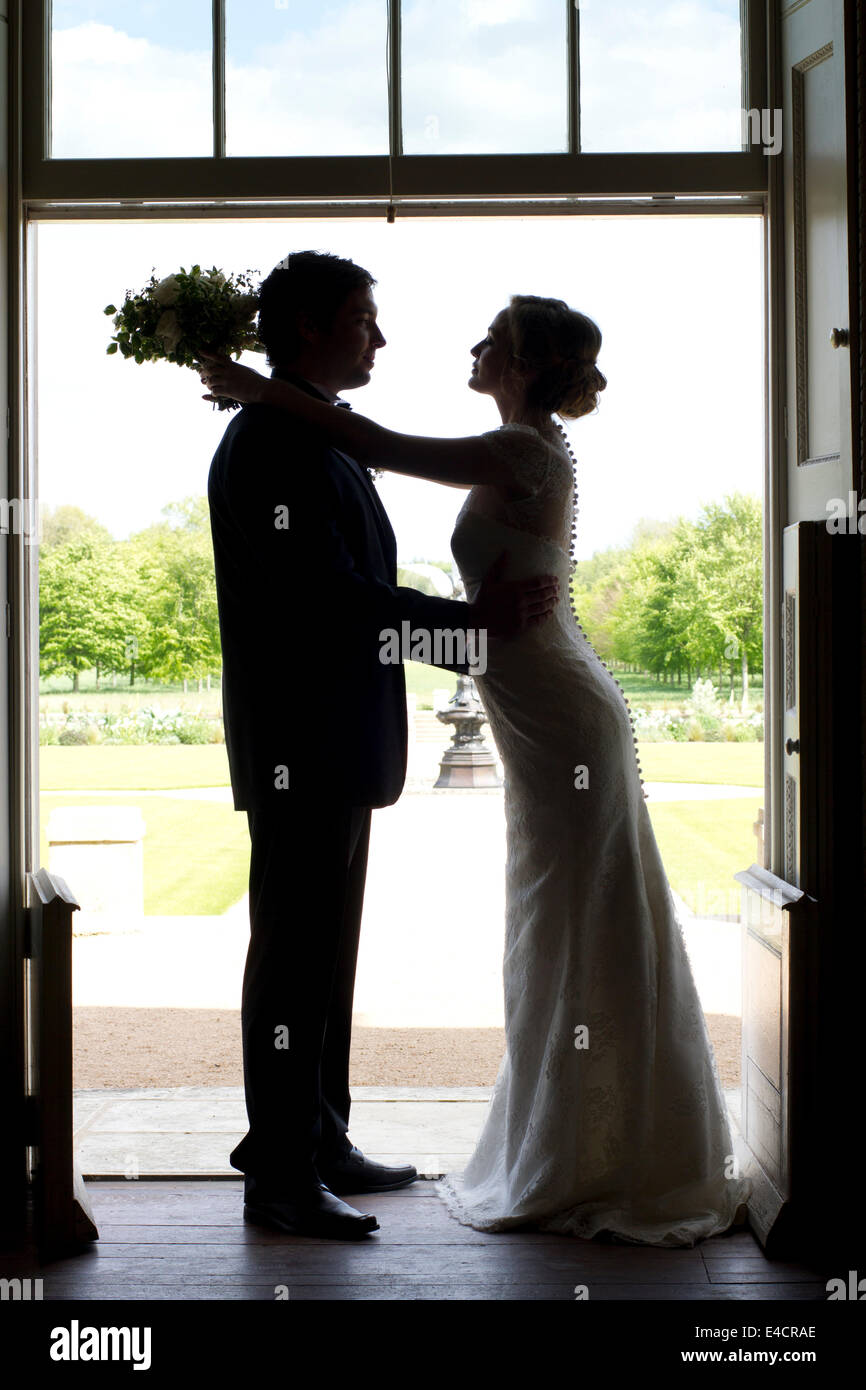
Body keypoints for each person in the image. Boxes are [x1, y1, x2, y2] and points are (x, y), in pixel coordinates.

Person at [201, 289, 752, 1246]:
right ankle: (326, 1152)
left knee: (576, 909)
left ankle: (595, 1152)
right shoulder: (309, 443)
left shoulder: (524, 449)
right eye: (362, 316)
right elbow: (332, 587)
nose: (466, 344)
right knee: (552, 911)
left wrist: (263, 388)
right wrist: (263, 397)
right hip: (505, 700)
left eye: (492, 339)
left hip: (555, 709)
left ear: (530, 364)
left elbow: (374, 446)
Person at [205, 253, 559, 1241]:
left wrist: (466, 625)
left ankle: (318, 1139)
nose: (380, 335)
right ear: (313, 324)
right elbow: (321, 603)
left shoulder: (309, 432)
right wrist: (468, 626)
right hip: (301, 737)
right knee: (292, 957)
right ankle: (280, 1172)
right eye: (365, 316)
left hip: (326, 735)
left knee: (322, 954)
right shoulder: (277, 438)